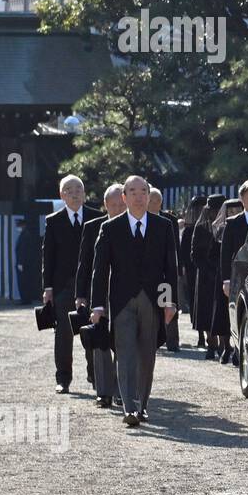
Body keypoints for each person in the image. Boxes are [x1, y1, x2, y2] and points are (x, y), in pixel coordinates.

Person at [90, 176, 179, 427]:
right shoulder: (110, 228)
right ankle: (129, 407)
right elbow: (100, 269)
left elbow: (169, 268)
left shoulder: (163, 227)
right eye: (133, 191)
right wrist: (97, 306)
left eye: (143, 191)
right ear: (124, 197)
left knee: (146, 356)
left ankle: (142, 404)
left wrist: (169, 303)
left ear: (149, 196)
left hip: (152, 300)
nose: (139, 196)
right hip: (121, 301)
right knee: (125, 352)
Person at [76, 183, 126, 407]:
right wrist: (81, 295)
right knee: (101, 343)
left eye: (120, 204)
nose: (117, 208)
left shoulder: (133, 226)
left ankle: (120, 389)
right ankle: (103, 391)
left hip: (124, 295)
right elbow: (85, 264)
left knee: (123, 344)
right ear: (105, 206)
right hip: (99, 295)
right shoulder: (93, 227)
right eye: (112, 205)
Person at [41, 175, 88, 394]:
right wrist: (48, 288)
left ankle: (96, 376)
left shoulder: (96, 217)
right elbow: (48, 256)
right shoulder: (53, 220)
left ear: (85, 193)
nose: (75, 193)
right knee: (63, 334)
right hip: (62, 286)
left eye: (79, 188)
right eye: (69, 189)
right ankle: (63, 378)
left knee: (92, 330)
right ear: (62, 195)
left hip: (88, 285)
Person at [219, 180, 248, 366]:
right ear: (242, 200)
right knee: (238, 313)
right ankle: (238, 349)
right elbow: (225, 254)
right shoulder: (233, 223)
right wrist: (226, 280)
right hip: (238, 277)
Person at [209, 198, 244, 363]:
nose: (234, 213)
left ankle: (238, 349)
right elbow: (214, 254)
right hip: (224, 276)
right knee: (224, 315)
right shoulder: (219, 229)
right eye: (231, 211)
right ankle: (225, 346)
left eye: (237, 210)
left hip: (241, 275)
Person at [190, 194, 225, 356]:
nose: (216, 213)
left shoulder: (227, 226)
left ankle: (225, 345)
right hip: (205, 276)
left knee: (222, 311)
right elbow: (194, 254)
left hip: (222, 274)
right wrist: (207, 269)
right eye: (213, 210)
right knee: (206, 312)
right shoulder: (201, 227)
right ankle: (211, 344)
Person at [148, 188, 181, 353]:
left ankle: (172, 341)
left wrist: (178, 267)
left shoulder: (169, 220)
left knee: (168, 303)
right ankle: (154, 340)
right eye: (151, 200)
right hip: (149, 273)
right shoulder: (141, 220)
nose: (154, 203)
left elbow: (176, 247)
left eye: (157, 201)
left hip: (165, 272)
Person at [180, 194, 206, 331]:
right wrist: (183, 268)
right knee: (193, 299)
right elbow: (183, 252)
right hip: (191, 270)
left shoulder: (211, 227)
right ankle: (200, 332)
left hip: (208, 270)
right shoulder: (188, 230)